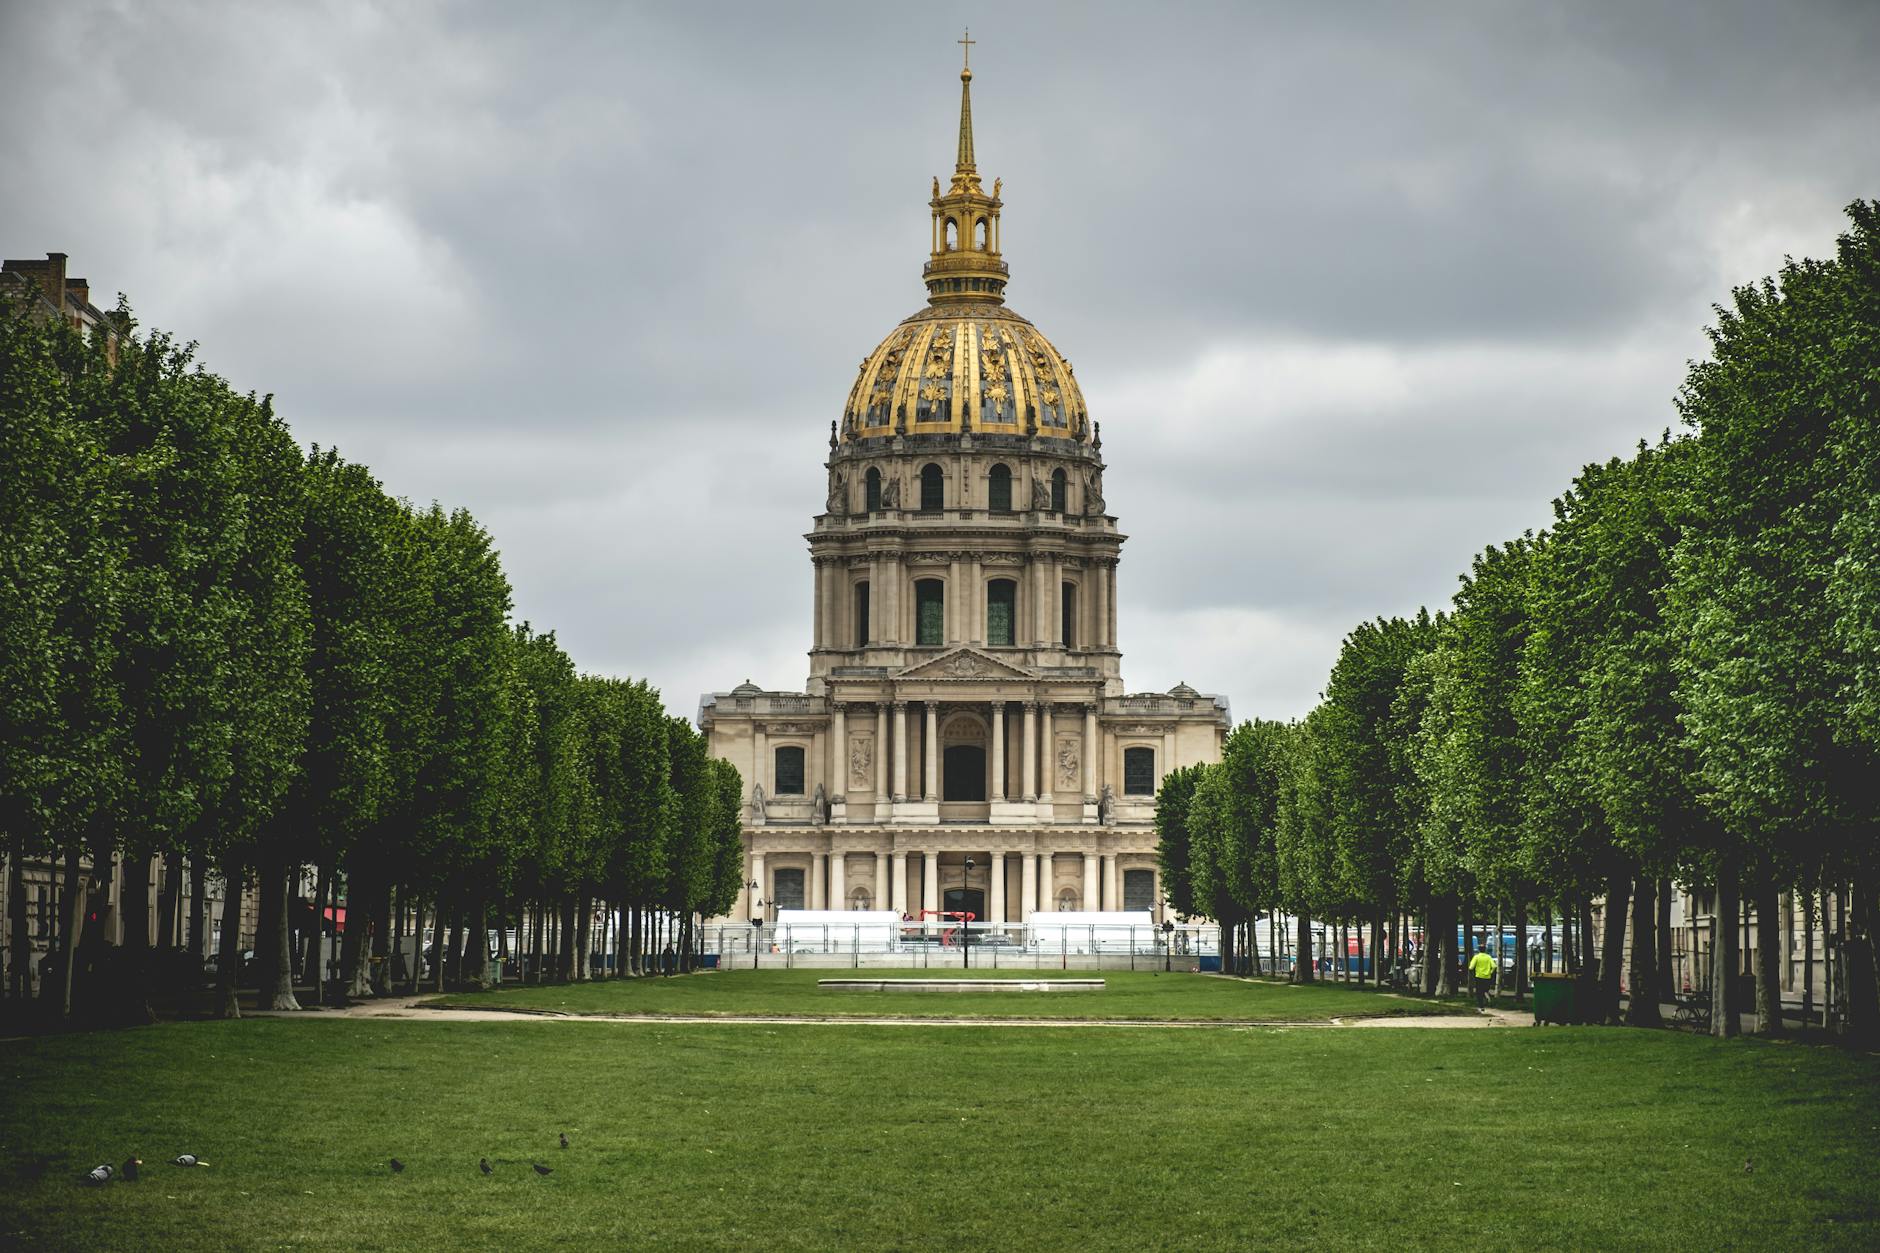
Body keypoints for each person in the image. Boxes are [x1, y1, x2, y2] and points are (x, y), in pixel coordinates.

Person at [1468, 943, 1497, 1007]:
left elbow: (1471, 967)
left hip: (1479, 976)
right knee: (1485, 989)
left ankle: (1481, 1005)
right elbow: (1494, 966)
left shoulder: (1476, 957)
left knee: (1479, 991)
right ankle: (1486, 995)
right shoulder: (1488, 957)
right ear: (1485, 950)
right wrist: (1490, 972)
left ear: (1479, 950)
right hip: (1487, 977)